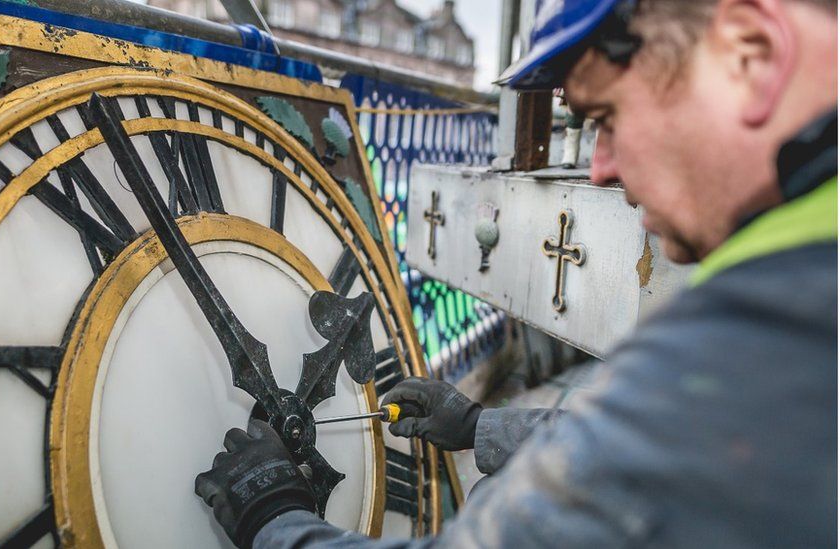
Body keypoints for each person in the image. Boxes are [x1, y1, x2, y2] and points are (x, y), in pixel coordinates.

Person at [195, 0, 838, 546]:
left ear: (751, 59)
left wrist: (273, 517)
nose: (599, 170)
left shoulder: (753, 343)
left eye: (607, 119)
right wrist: (481, 427)